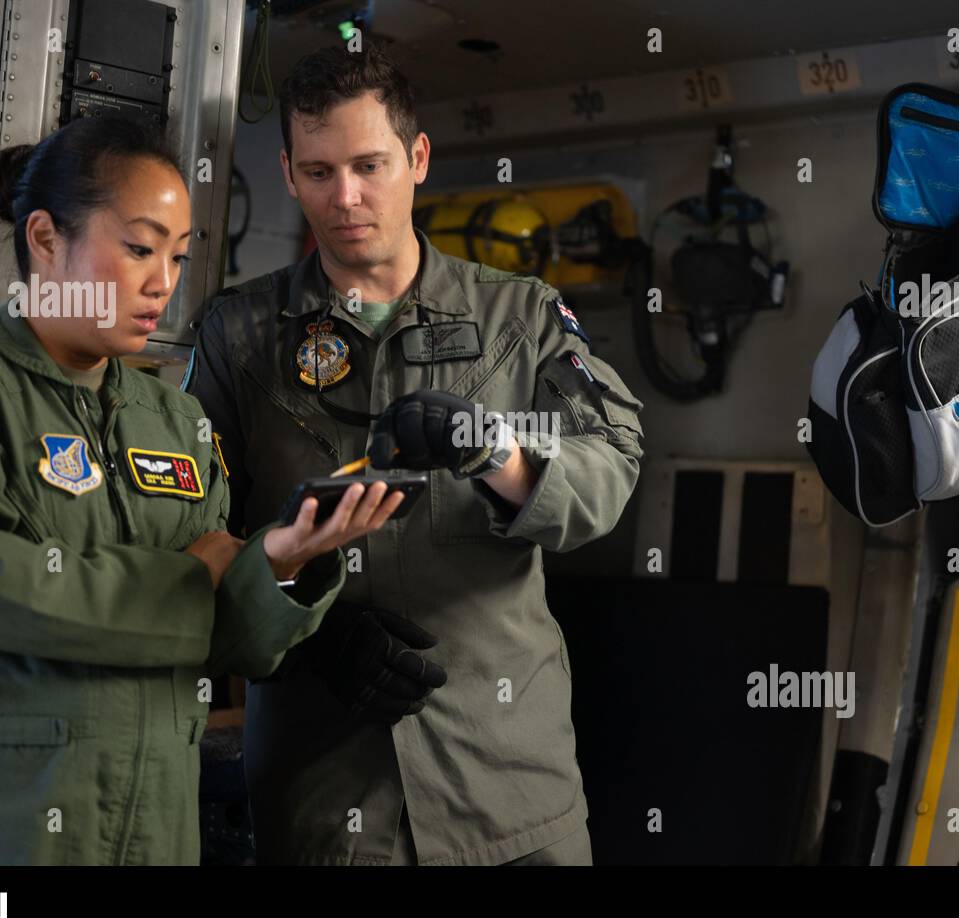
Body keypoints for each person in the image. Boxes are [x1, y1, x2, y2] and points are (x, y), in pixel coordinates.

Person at [0, 116, 404, 865]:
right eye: (140, 248)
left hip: (157, 831)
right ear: (45, 239)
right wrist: (192, 578)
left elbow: (225, 643)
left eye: (178, 256)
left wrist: (275, 564)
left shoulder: (174, 420)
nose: (164, 283)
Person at [186, 44, 644, 865]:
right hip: (326, 800)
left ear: (418, 157)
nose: (347, 196)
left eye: (370, 164)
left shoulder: (519, 315)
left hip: (508, 795)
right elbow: (190, 538)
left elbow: (610, 463)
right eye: (320, 171)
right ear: (287, 174)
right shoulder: (238, 337)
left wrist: (494, 451)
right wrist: (307, 632)